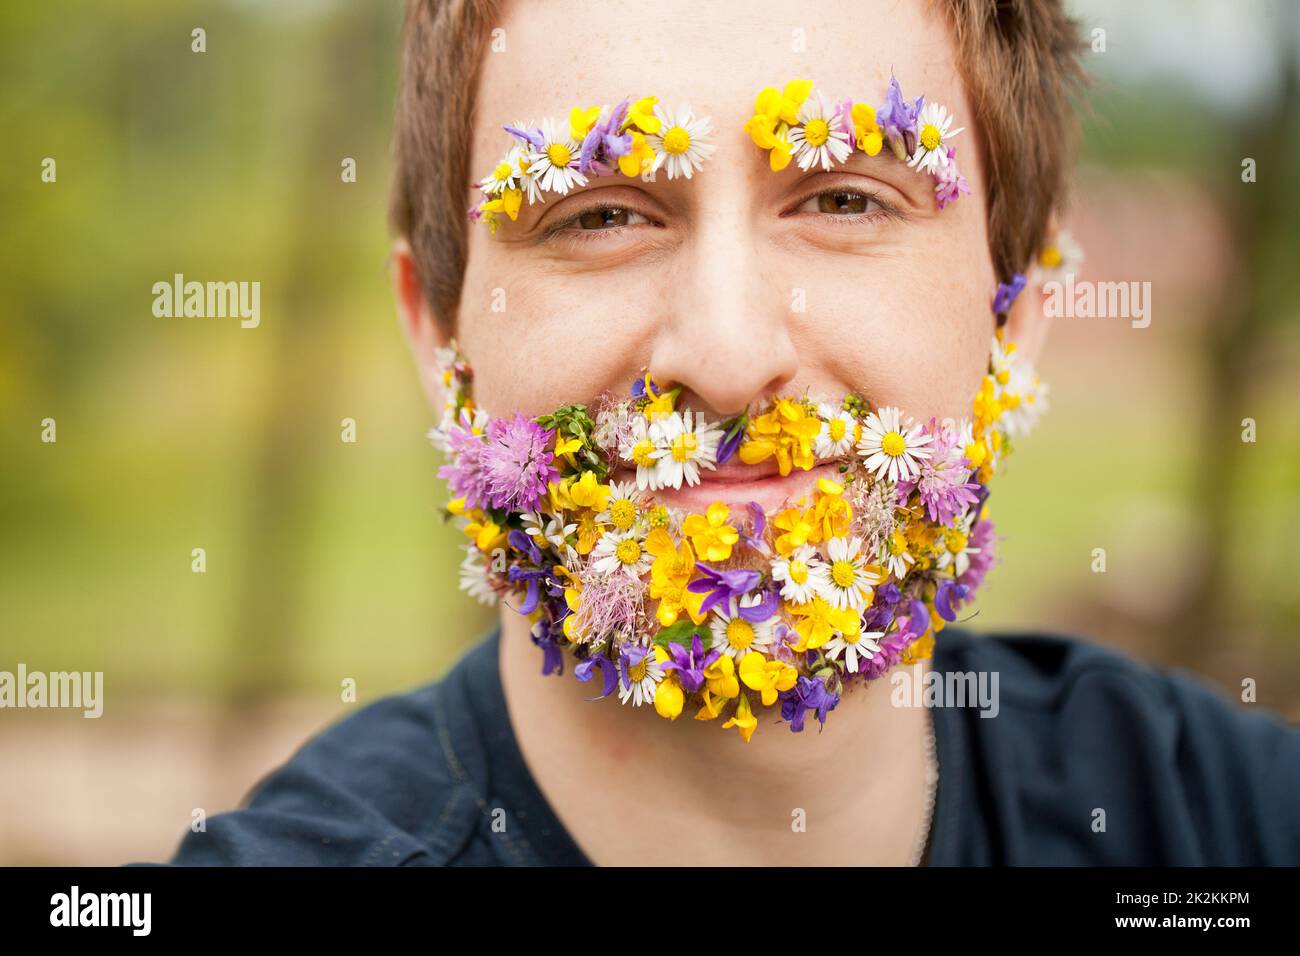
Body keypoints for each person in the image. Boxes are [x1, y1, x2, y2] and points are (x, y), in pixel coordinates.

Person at [155, 0, 1300, 867]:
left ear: (1023, 307)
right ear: (438, 336)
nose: (727, 351)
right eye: (600, 213)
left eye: (845, 198)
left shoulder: (1236, 826)